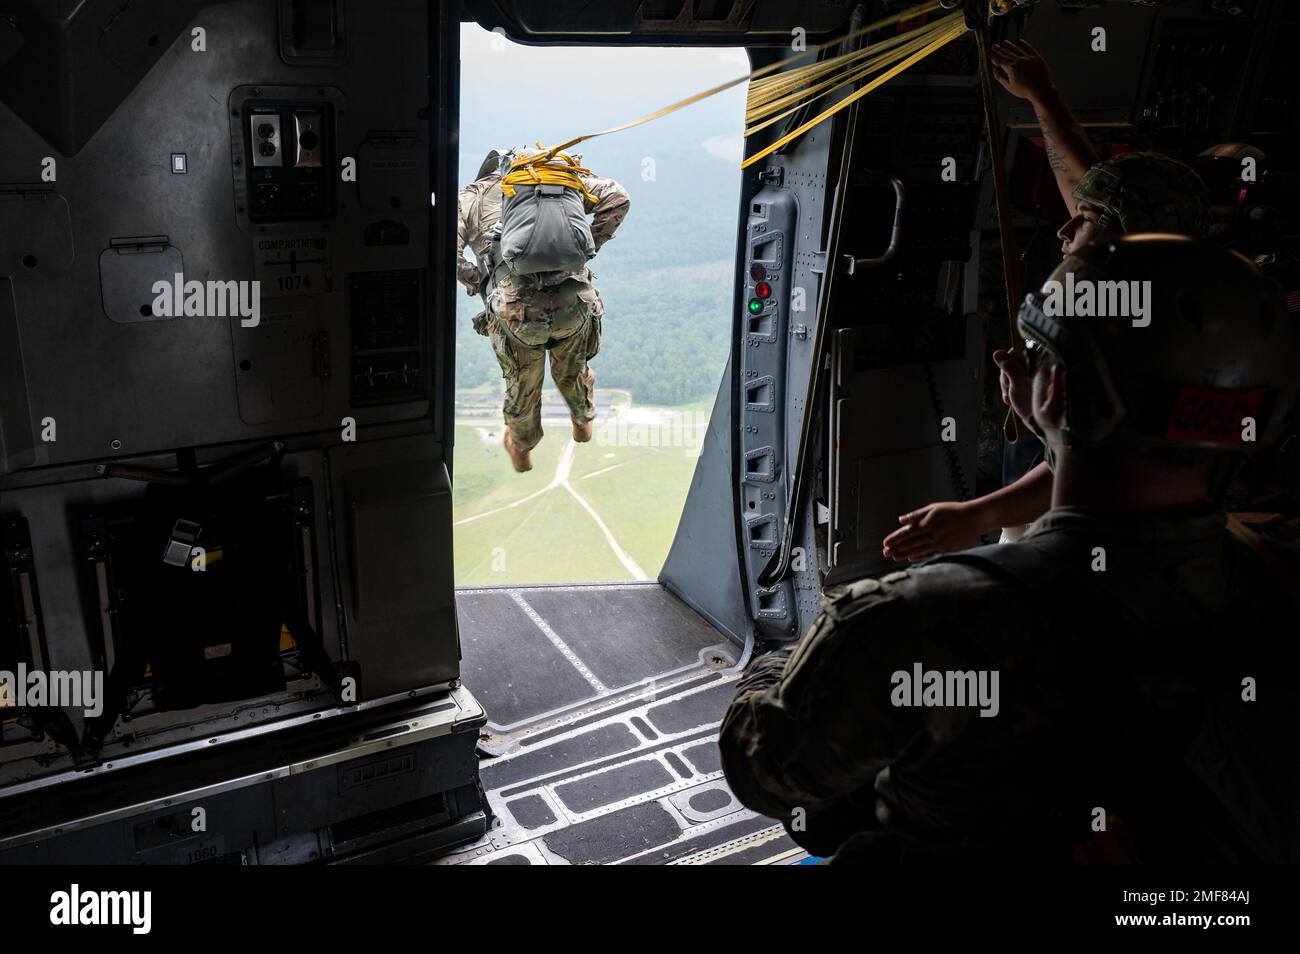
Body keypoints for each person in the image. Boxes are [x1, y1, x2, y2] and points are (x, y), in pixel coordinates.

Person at [722, 236, 1300, 863]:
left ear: (1053, 394)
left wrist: (786, 660)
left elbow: (765, 769)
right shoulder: (1278, 575)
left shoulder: (923, 620)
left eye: (1038, 356)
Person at [881, 40, 1210, 562]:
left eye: (1089, 221)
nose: (1066, 224)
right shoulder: (1144, 289)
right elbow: (1091, 196)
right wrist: (1041, 97)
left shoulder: (1137, 340)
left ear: (1124, 244)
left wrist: (976, 515)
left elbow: (1091, 466)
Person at [456, 148, 630, 472]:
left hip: (516, 316)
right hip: (575, 303)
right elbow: (618, 198)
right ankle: (582, 420)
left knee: (522, 384)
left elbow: (445, 249)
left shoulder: (470, 199)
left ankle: (521, 447)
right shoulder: (555, 181)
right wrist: (587, 248)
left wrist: (479, 280)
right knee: (573, 369)